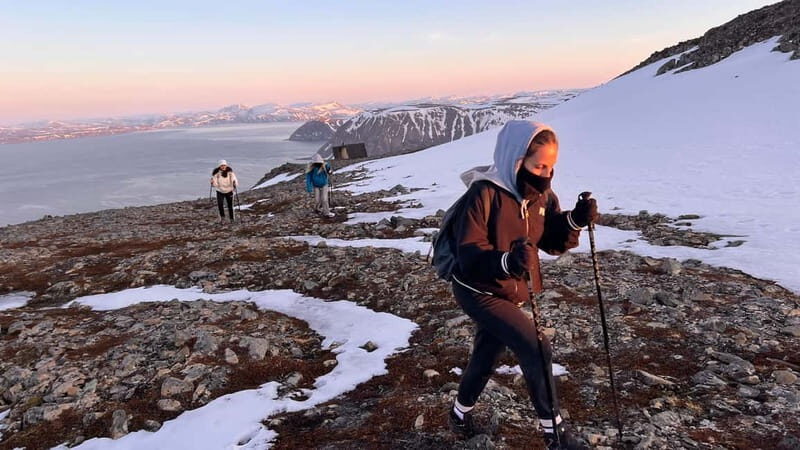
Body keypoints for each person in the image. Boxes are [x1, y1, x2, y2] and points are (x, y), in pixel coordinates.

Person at [447, 121, 597, 449]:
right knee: (536, 346)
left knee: (487, 355)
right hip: (477, 289)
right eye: (538, 165)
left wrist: (576, 220)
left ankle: (458, 415)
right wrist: (507, 261)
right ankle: (555, 436)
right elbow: (469, 253)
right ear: (516, 159)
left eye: (551, 167)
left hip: (508, 290)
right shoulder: (483, 193)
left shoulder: (541, 195)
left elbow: (551, 240)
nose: (545, 173)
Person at [305, 153, 335, 218]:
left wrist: (329, 171)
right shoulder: (311, 169)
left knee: (324, 199)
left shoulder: (325, 166)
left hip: (324, 184)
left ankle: (326, 213)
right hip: (316, 186)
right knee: (317, 200)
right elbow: (308, 179)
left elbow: (329, 171)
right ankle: (317, 209)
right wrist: (309, 188)